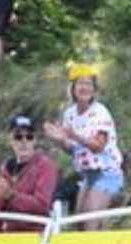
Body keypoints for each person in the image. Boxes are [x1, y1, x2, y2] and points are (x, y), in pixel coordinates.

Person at [44, 63, 124, 231]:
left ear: (94, 89)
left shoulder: (101, 111)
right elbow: (71, 149)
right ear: (72, 88)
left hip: (106, 172)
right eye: (80, 83)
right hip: (87, 174)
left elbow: (99, 146)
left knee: (89, 222)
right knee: (79, 221)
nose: (85, 87)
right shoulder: (70, 114)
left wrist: (73, 135)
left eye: (89, 84)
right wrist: (58, 140)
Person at [0, 115, 58, 232]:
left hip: (35, 235)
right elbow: (1, 208)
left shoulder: (45, 165)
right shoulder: (6, 166)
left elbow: (42, 207)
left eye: (29, 137)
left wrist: (10, 195)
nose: (24, 141)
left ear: (34, 140)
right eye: (18, 137)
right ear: (10, 140)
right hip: (8, 233)